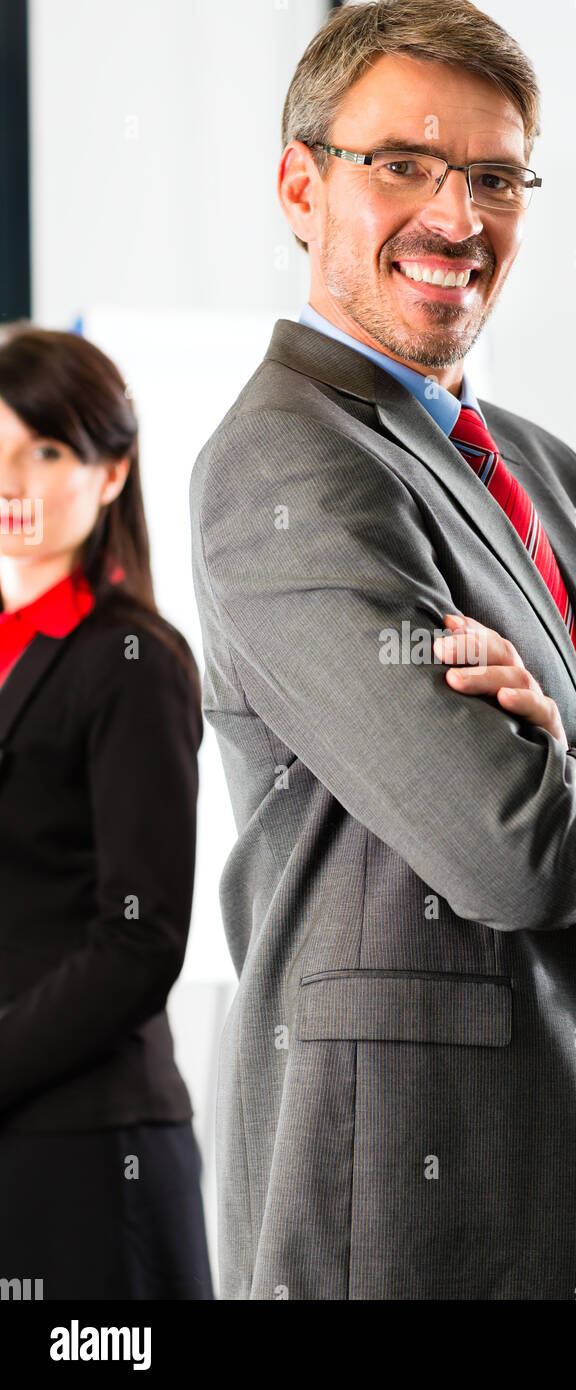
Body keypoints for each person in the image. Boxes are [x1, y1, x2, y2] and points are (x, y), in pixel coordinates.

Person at [190, 0, 576, 1300]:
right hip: (398, 1206)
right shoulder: (287, 458)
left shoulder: (544, 468)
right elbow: (520, 846)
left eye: (494, 176)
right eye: (402, 163)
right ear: (299, 184)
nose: (458, 218)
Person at [0, 325, 213, 1300]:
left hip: (89, 1146)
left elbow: (140, 941)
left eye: (46, 449)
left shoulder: (132, 663)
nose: (15, 480)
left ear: (112, 470)